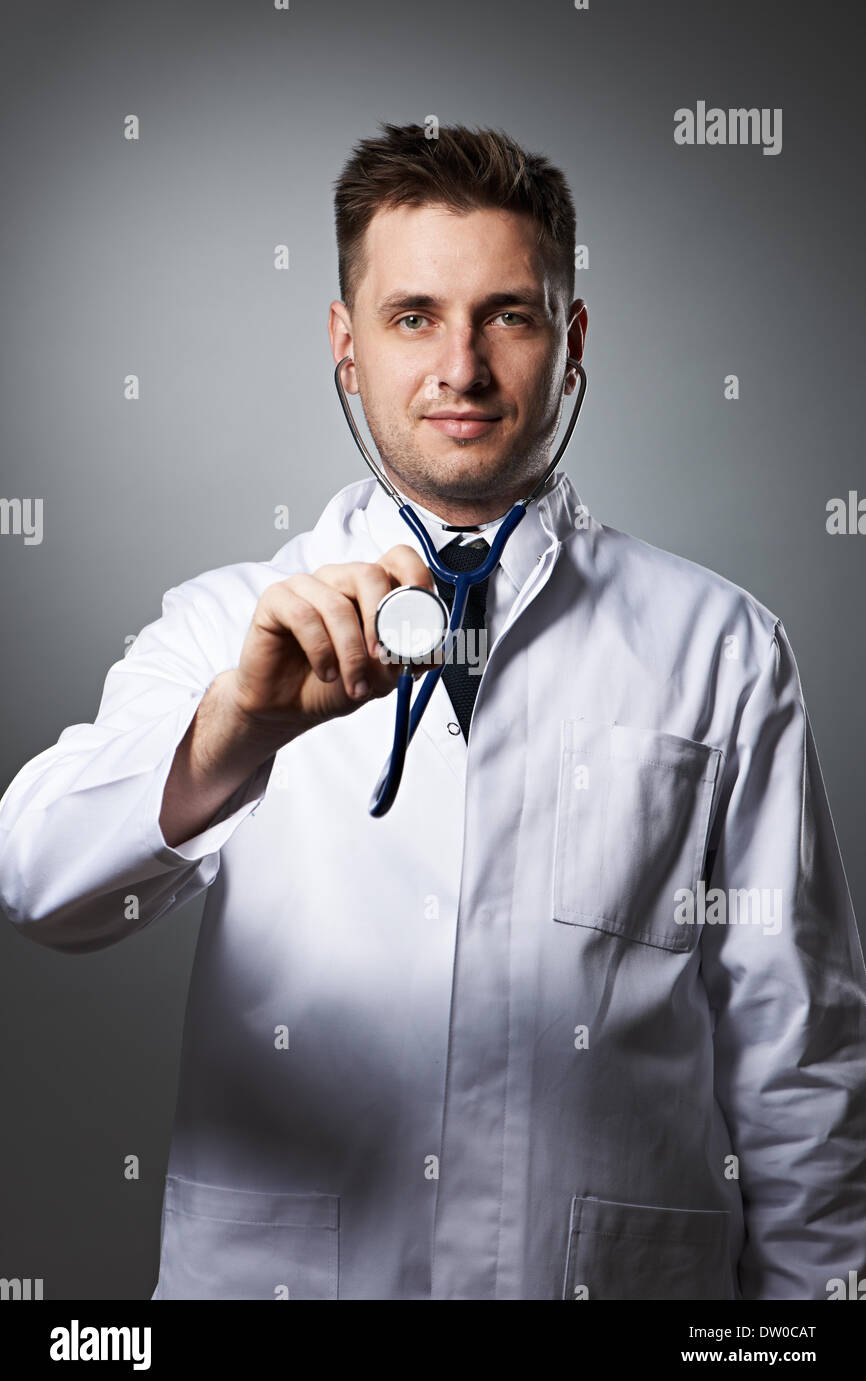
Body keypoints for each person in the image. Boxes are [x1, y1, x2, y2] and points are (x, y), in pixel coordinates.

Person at [1, 121, 864, 1302]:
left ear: (570, 345)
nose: (459, 366)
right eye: (412, 316)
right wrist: (234, 732)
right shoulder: (224, 625)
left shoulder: (721, 645)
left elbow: (798, 1057)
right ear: (345, 347)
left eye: (507, 314)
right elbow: (38, 882)